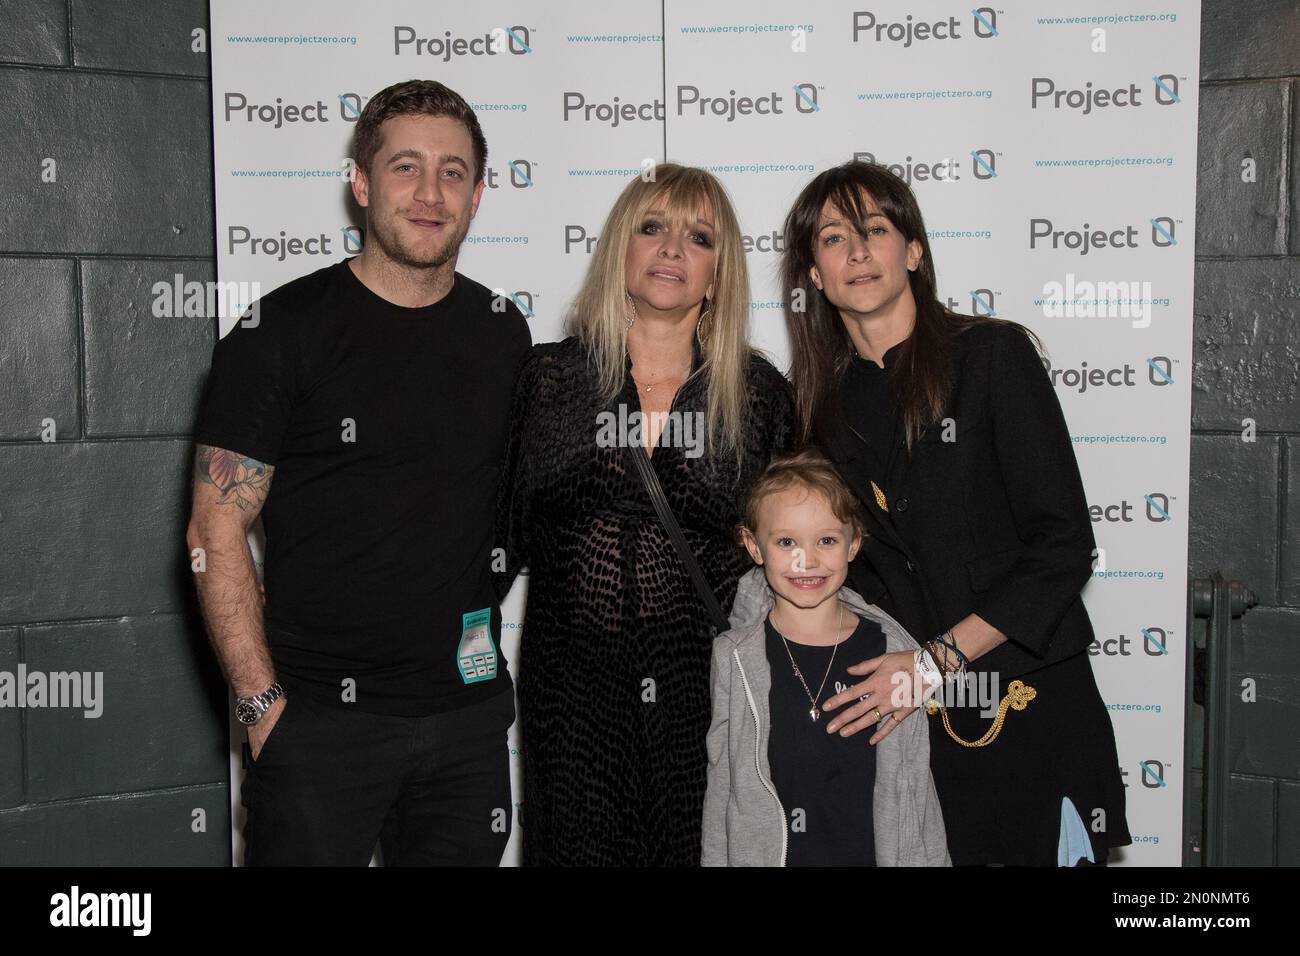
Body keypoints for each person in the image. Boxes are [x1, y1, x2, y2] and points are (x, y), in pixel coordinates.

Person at [187, 79, 530, 866]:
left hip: (467, 723)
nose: (430, 192)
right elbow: (215, 526)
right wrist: (262, 708)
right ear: (362, 184)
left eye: (453, 172)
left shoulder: (501, 331)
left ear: (478, 195)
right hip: (316, 732)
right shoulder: (279, 331)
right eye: (405, 166)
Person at [780, 160, 1131, 866]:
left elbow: (1063, 546)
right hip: (914, 735)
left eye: (876, 230)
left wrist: (936, 661)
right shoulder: (816, 409)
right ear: (813, 274)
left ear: (912, 251)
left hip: (1029, 706)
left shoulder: (994, 356)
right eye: (833, 238)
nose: (857, 251)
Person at [494, 164, 796, 865]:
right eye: (652, 228)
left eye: (699, 238)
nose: (671, 249)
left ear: (718, 277)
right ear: (620, 252)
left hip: (706, 698)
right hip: (570, 701)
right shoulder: (550, 381)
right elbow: (495, 541)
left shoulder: (758, 399)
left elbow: (795, 556)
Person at [702, 450, 949, 866]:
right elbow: (723, 783)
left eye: (827, 540)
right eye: (786, 542)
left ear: (854, 544)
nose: (807, 559)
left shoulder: (894, 654)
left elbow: (916, 790)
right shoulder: (735, 656)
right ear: (753, 546)